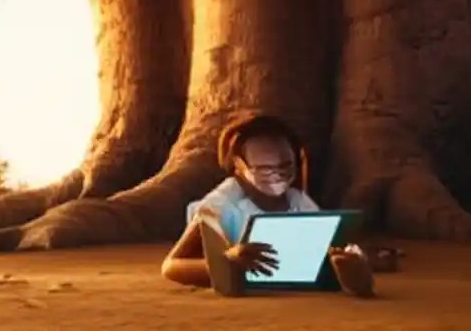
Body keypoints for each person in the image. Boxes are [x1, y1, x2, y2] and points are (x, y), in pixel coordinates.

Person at [160, 112, 375, 297]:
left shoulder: (298, 201)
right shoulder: (219, 206)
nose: (277, 176)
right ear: (238, 165)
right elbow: (172, 265)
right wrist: (227, 264)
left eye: (286, 167)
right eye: (264, 169)